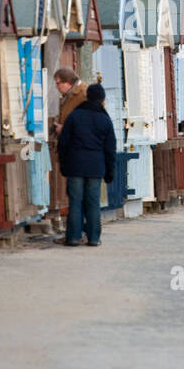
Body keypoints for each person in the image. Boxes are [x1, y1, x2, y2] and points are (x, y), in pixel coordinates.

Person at [55, 83, 116, 247]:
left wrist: (63, 164)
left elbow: (64, 142)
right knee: (93, 203)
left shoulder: (75, 116)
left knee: (75, 202)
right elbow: (110, 148)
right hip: (95, 167)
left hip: (75, 165)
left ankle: (73, 237)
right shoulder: (105, 119)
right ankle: (94, 238)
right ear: (102, 99)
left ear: (88, 96)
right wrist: (110, 171)